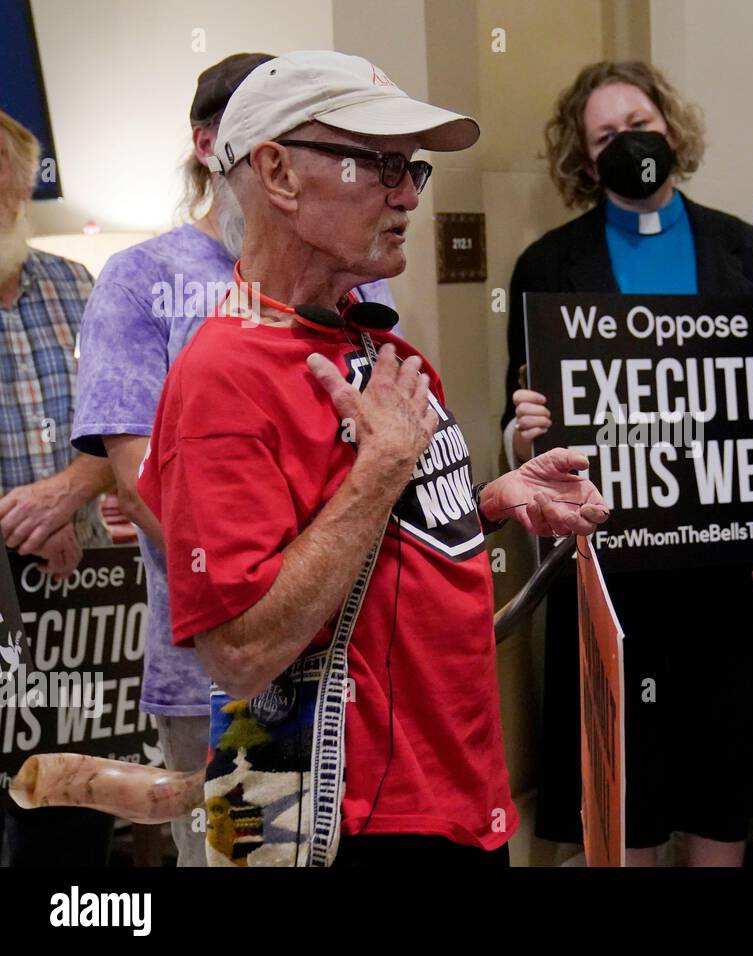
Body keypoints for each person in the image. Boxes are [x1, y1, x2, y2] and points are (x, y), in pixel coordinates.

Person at [135, 50, 608, 867]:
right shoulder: (223, 375)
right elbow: (240, 651)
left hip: (461, 798)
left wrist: (489, 498)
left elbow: (387, 545)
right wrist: (384, 468)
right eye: (379, 163)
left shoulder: (379, 345)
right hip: (354, 826)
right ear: (277, 173)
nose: (407, 193)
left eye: (411, 168)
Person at [70, 53, 394, 867]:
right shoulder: (142, 278)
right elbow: (142, 477)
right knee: (242, 854)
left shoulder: (348, 274)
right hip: (212, 668)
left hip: (360, 667)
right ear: (219, 145)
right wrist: (267, 584)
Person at [503, 60, 753, 866]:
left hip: (725, 574)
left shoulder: (744, 249)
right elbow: (522, 438)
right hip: (611, 575)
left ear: (672, 130)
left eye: (642, 126)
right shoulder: (547, 266)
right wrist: (527, 436)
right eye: (607, 136)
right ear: (585, 161)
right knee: (622, 800)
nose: (631, 144)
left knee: (718, 790)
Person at [0, 109, 116, 865]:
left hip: (79, 604)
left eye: (10, 198)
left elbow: (132, 425)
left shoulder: (75, 284)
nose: (6, 213)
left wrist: (72, 491)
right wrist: (24, 522)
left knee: (72, 807)